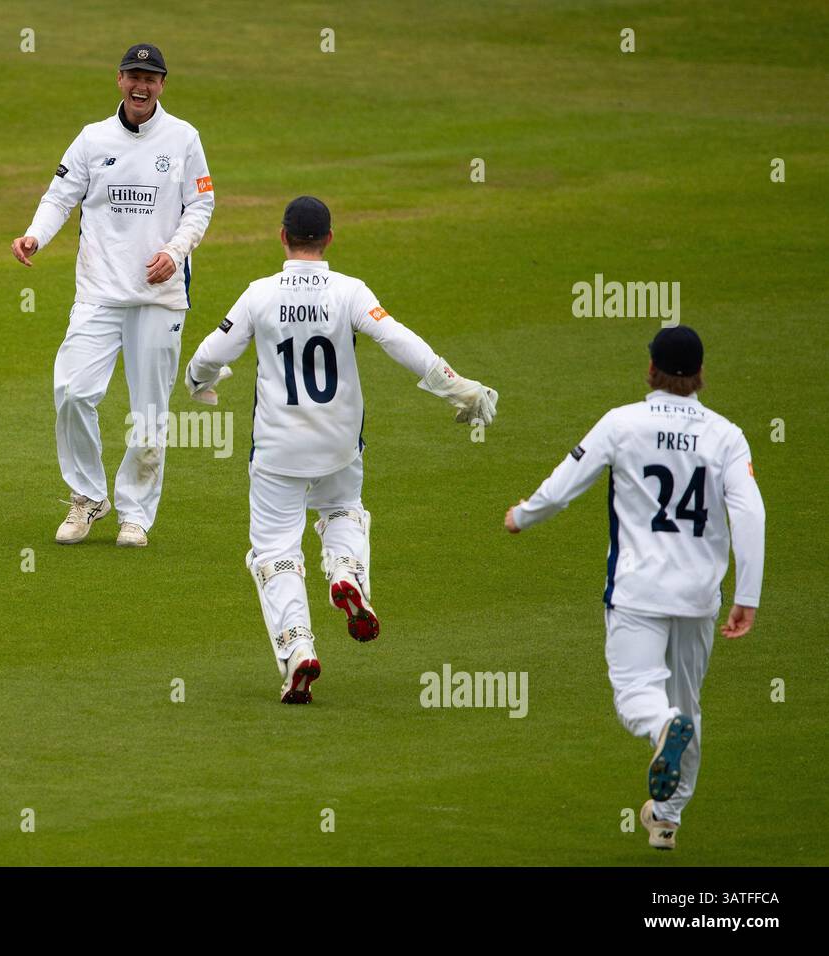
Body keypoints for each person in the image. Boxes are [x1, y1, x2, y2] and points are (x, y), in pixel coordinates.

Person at [185, 197, 499, 703]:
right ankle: (346, 573)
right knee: (342, 509)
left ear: (282, 237)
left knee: (275, 551)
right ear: (329, 239)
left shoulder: (258, 295)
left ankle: (298, 651)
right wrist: (455, 385)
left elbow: (209, 354)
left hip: (277, 448)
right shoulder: (348, 291)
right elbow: (397, 339)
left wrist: (199, 381)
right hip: (338, 442)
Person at [504, 325, 765, 850]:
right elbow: (750, 513)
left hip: (637, 591)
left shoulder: (622, 424)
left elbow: (563, 486)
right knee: (687, 704)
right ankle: (666, 819)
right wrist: (748, 595)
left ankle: (663, 729)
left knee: (637, 698)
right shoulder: (726, 435)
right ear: (700, 375)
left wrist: (521, 517)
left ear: (651, 369)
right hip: (698, 599)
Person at [11, 43, 215, 548]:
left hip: (158, 295)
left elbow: (201, 204)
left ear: (163, 84)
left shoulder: (184, 138)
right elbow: (60, 195)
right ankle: (87, 497)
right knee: (73, 391)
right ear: (119, 79)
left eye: (151, 77)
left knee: (148, 414)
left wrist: (176, 248)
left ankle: (135, 514)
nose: (141, 85)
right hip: (99, 292)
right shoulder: (92, 138)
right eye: (133, 75)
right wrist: (35, 234)